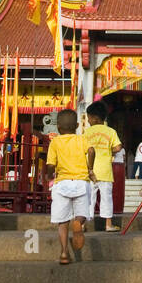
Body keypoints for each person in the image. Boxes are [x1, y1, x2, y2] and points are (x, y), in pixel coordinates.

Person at [46, 108, 95, 265]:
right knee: (81, 215)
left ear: (58, 127)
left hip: (62, 184)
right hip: (80, 182)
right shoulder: (82, 139)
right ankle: (78, 223)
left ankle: (64, 253)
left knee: (62, 222)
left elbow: (51, 164)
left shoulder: (55, 142)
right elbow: (92, 150)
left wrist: (49, 175)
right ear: (78, 125)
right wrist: (90, 168)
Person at [83, 101, 122, 232]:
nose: (88, 120)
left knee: (88, 198)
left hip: (89, 170)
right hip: (105, 171)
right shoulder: (111, 131)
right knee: (106, 198)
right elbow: (118, 147)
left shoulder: (87, 132)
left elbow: (83, 149)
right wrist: (108, 150)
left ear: (95, 118)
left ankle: (83, 224)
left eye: (88, 117)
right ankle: (108, 224)